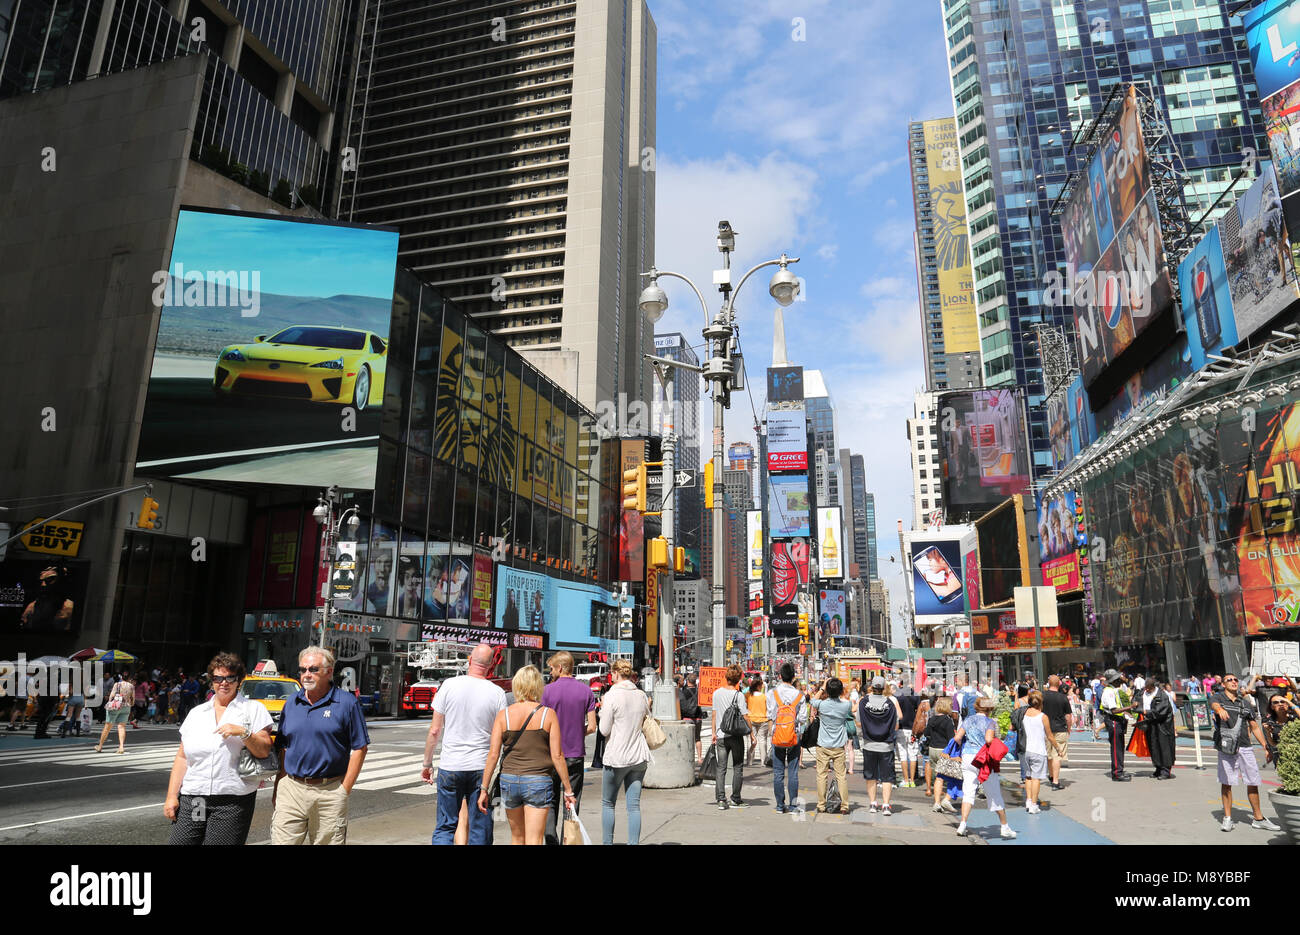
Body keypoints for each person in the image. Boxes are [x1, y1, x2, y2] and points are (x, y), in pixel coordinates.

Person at [163, 653, 274, 844]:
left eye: (230, 677)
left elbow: (264, 750)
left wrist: (243, 732)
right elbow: (182, 757)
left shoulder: (253, 709)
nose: (224, 683)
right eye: (218, 678)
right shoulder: (197, 713)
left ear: (239, 680)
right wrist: (172, 796)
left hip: (231, 801)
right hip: (195, 799)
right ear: (211, 680)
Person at [271, 646, 370, 845]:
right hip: (291, 789)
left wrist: (344, 791)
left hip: (330, 791)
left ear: (329, 671)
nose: (306, 674)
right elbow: (283, 746)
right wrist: (278, 785)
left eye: (313, 669)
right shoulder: (291, 702)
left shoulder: (347, 703)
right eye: (302, 669)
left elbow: (360, 747)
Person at [476, 666, 575, 845]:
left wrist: (484, 788)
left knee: (517, 837)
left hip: (509, 780)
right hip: (539, 780)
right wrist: (568, 789)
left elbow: (493, 755)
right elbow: (558, 756)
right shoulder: (548, 714)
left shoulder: (503, 715)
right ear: (538, 686)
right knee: (535, 839)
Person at [425, 643, 506, 845]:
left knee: (445, 826)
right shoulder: (497, 693)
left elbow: (435, 730)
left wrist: (427, 763)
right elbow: (501, 735)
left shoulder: (449, 685)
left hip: (450, 764)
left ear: (470, 660)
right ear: (490, 666)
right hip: (481, 767)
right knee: (480, 826)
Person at [1211, 674, 1282, 832]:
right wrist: (1220, 709)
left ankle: (1258, 818)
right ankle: (1228, 818)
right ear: (1223, 684)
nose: (1234, 682)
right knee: (1227, 782)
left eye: (1236, 680)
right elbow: (1214, 705)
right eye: (1229, 680)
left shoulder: (1245, 703)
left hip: (1245, 746)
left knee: (1253, 781)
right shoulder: (1219, 697)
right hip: (1227, 747)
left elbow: (1254, 726)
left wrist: (1265, 746)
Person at [541, 651, 597, 845]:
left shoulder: (547, 692)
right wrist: (575, 732)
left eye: (552, 668)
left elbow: (542, 725)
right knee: (571, 802)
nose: (551, 672)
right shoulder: (586, 691)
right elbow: (592, 726)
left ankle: (550, 841)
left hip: (550, 755)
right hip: (575, 754)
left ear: (560, 668)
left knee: (550, 801)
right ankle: (568, 840)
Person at [598, 659, 651, 844]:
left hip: (617, 756)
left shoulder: (612, 696)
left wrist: (602, 710)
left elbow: (604, 730)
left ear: (615, 674)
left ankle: (607, 842)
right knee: (634, 806)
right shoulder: (641, 695)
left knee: (608, 803)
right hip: (638, 756)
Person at [953, 696, 1017, 838]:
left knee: (968, 792)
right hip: (983, 759)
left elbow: (957, 738)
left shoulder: (968, 720)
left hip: (968, 757)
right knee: (993, 792)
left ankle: (962, 824)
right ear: (989, 708)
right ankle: (1004, 826)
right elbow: (988, 739)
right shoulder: (990, 722)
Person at [710, 664, 752, 809]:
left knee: (721, 768)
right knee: (738, 767)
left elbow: (714, 714)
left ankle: (721, 799)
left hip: (721, 735)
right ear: (738, 679)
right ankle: (736, 798)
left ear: (726, 677)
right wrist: (751, 733)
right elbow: (745, 716)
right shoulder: (738, 695)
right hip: (735, 735)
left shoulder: (716, 693)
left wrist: (713, 732)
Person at [768, 663, 807, 813]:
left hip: (777, 736)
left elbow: (770, 714)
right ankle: (793, 805)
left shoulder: (772, 693)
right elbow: (802, 718)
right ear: (793, 677)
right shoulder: (799, 695)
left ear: (780, 676)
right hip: (793, 736)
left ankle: (779, 805)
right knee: (793, 772)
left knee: (778, 773)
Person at [811, 677, 853, 814]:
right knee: (841, 776)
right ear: (840, 691)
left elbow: (812, 700)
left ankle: (821, 804)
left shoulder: (822, 705)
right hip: (839, 745)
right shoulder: (846, 705)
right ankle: (844, 805)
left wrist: (822, 687)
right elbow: (847, 700)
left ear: (827, 691)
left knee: (821, 775)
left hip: (823, 744)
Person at [860, 676, 900, 814]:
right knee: (887, 776)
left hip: (869, 743)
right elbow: (895, 725)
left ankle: (872, 803)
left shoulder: (863, 702)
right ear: (883, 688)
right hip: (886, 744)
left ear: (872, 687)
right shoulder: (890, 704)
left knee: (871, 775)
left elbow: (858, 722)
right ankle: (886, 805)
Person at [1021, 690, 1059, 814]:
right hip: (1038, 750)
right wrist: (1058, 748)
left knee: (1028, 777)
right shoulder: (1043, 716)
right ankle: (1033, 804)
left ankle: (1028, 800)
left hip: (1026, 749)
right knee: (1036, 778)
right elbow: (1050, 736)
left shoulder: (1024, 714)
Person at [925, 696, 959, 814]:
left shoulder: (932, 719)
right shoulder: (947, 720)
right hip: (943, 750)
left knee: (938, 777)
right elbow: (951, 738)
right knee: (949, 776)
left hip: (932, 749)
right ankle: (946, 800)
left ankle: (937, 803)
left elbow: (926, 733)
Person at [1099, 670, 1134, 781]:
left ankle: (1119, 770)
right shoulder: (1109, 692)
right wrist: (1130, 707)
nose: (1120, 680)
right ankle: (1117, 773)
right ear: (1113, 680)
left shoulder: (1113, 690)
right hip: (1113, 720)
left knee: (1119, 747)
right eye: (1117, 678)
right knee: (1116, 747)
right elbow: (1114, 710)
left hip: (1117, 720)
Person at [1138, 678, 1176, 780]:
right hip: (1151, 724)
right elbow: (1136, 701)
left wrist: (1146, 712)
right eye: (1145, 688)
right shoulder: (1143, 693)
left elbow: (1160, 711)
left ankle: (1165, 770)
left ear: (1153, 687)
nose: (1146, 690)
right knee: (1153, 747)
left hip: (1162, 725)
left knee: (1164, 747)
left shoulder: (1162, 695)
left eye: (1148, 688)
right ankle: (1158, 768)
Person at [1041, 675, 1073, 790]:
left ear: (1048, 683)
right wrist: (1069, 729)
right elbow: (1068, 716)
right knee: (1057, 755)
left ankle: (1051, 775)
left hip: (1045, 729)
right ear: (1059, 684)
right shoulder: (1063, 697)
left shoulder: (1042, 696)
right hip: (1060, 729)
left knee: (1049, 755)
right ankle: (1055, 781)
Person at [95, 674, 135, 754]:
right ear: (129, 679)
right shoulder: (131, 686)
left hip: (116, 706)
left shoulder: (117, 684)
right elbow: (133, 698)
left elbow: (112, 695)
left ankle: (100, 746)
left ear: (121, 678)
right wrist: (130, 704)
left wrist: (109, 703)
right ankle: (121, 747)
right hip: (126, 707)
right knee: (121, 727)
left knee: (107, 727)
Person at [895, 683, 920, 788]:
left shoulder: (898, 697)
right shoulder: (915, 697)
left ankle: (906, 780)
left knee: (903, 755)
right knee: (913, 754)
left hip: (901, 728)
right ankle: (912, 780)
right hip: (912, 728)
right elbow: (919, 711)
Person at [1263, 693, 1300, 765]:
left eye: (1282, 701)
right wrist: (1268, 733)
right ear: (1272, 707)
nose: (1280, 704)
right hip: (1282, 757)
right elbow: (1273, 744)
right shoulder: (1270, 721)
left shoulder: (1295, 717)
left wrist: (1289, 702)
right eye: (1276, 702)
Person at [746, 676, 771, 766]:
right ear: (758, 686)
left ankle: (749, 761)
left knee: (751, 740)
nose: (762, 686)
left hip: (750, 719)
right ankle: (763, 762)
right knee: (762, 740)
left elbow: (745, 706)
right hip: (763, 719)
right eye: (761, 685)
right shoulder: (764, 697)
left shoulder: (748, 695)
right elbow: (768, 709)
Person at [680, 674, 703, 763]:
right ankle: (700, 758)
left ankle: (687, 758)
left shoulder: (684, 692)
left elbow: (681, 704)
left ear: (687, 681)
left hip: (687, 718)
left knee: (686, 738)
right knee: (697, 738)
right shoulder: (699, 692)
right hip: (698, 717)